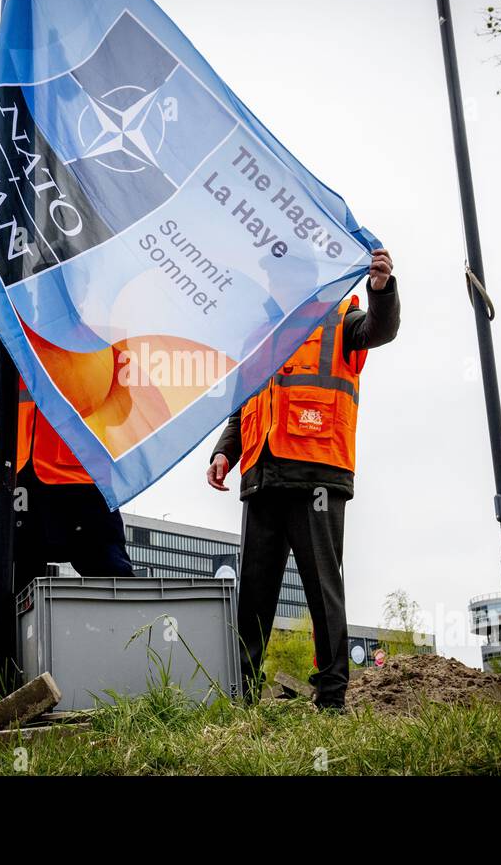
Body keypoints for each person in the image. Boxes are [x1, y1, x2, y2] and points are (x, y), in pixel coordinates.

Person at [207, 248, 400, 710]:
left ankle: (331, 696)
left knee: (322, 590)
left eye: (288, 275)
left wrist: (381, 289)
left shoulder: (342, 319)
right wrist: (223, 452)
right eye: (274, 276)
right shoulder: (258, 337)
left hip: (318, 472)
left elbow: (382, 329)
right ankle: (243, 694)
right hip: (262, 474)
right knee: (253, 594)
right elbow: (244, 407)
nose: (279, 283)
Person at [0, 344, 135, 597]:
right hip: (16, 469)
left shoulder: (102, 342)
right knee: (13, 583)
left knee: (109, 571)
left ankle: (130, 630)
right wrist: (4, 328)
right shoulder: (15, 334)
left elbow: (121, 409)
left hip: (78, 472)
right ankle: (13, 637)